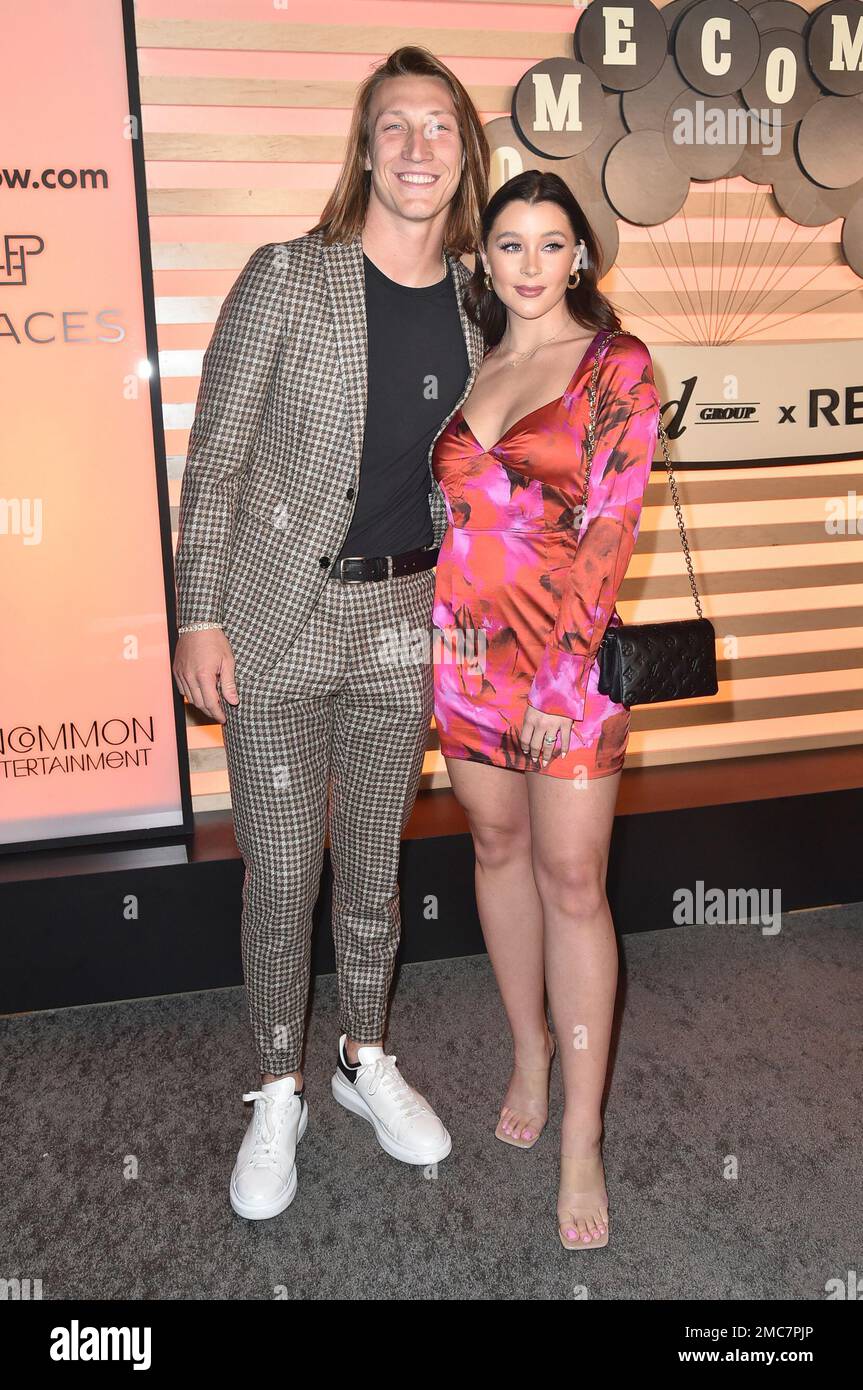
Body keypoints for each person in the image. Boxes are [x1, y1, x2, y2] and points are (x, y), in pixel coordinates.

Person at [172, 46, 489, 1219]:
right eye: (394, 126)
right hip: (274, 618)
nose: (416, 146)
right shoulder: (287, 276)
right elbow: (217, 460)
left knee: (372, 867)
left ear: (464, 155)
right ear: (363, 148)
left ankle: (361, 1055)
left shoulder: (477, 299)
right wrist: (199, 611)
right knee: (283, 867)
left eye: (439, 127)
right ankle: (276, 1083)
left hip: (403, 620)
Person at [431, 169, 661, 1249]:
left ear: (581, 255)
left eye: (549, 242)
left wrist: (559, 682)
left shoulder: (616, 365)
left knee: (572, 880)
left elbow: (610, 533)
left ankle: (582, 1132)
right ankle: (526, 1043)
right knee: (492, 845)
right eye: (508, 244)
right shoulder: (475, 363)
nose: (528, 264)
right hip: (464, 655)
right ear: (486, 258)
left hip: (562, 667)